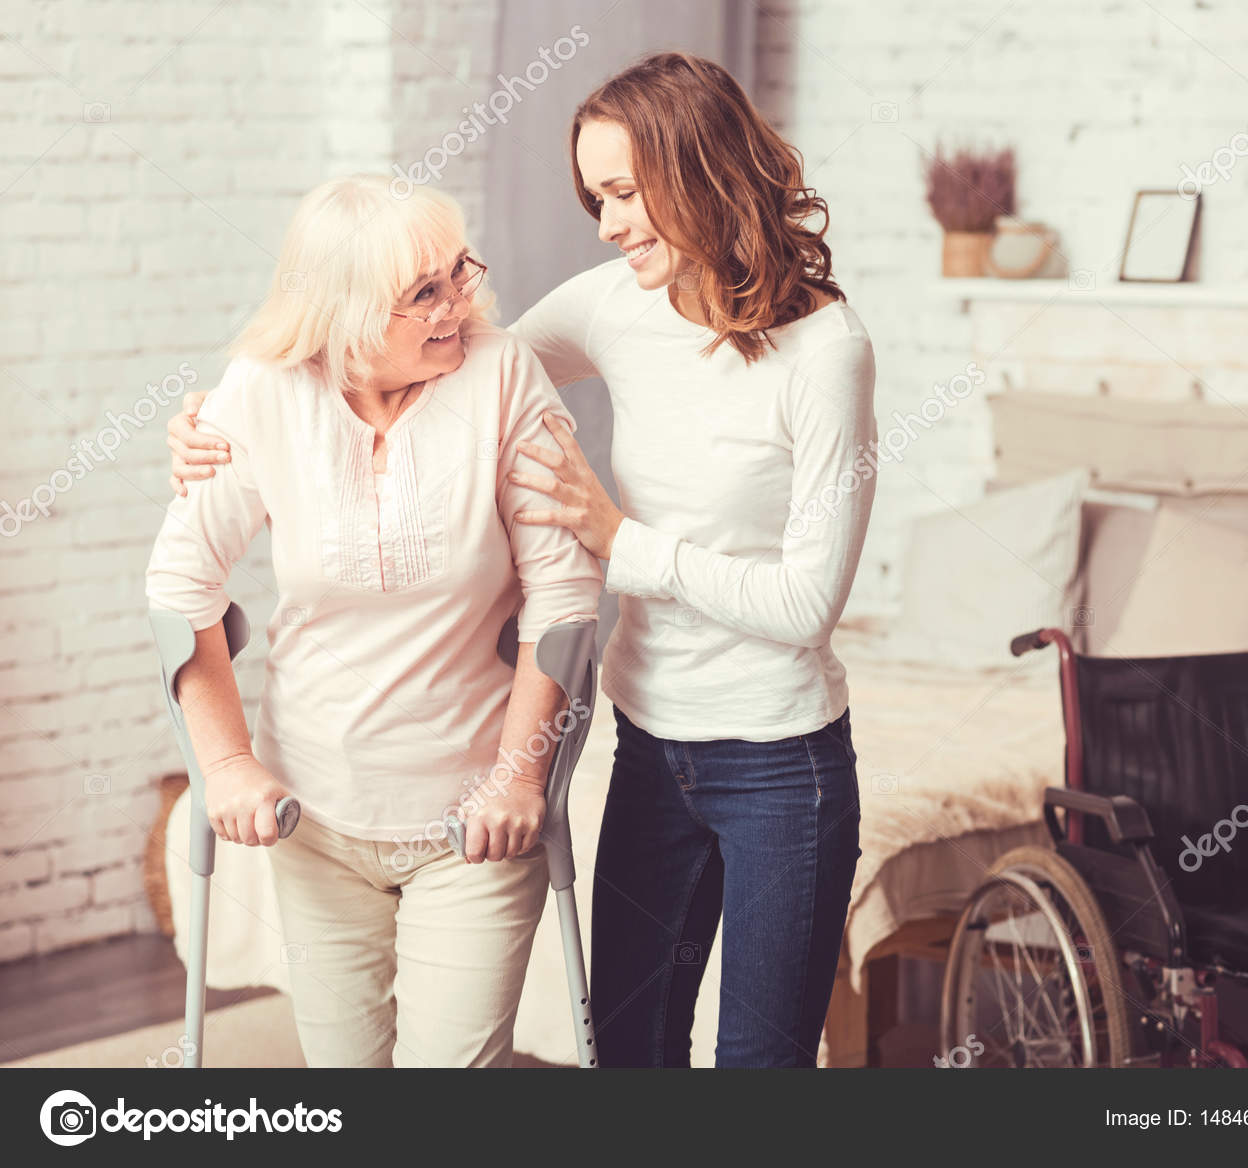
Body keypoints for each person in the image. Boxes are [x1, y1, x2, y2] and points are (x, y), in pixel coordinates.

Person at [165, 52, 876, 1068]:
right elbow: (449, 361)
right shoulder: (619, 301)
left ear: (702, 171)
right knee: (629, 1049)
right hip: (650, 746)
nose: (608, 224)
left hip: (779, 762)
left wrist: (618, 540)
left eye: (626, 192)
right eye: (597, 197)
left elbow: (806, 602)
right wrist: (229, 419)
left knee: (759, 1064)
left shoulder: (827, 352)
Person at [147, 175, 602, 1067]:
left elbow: (563, 596)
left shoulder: (501, 374)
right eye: (423, 294)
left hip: (473, 820)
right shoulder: (264, 394)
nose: (457, 307)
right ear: (345, 315)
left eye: (456, 275)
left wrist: (518, 779)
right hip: (311, 814)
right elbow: (179, 586)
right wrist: (229, 765)